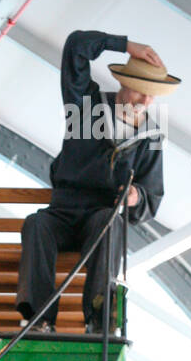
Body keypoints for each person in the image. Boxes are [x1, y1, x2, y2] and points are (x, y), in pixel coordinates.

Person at [16, 32, 179, 332]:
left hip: (100, 219)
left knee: (109, 223)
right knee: (36, 224)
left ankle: (100, 322)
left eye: (150, 94)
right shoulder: (84, 106)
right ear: (122, 82)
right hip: (63, 212)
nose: (144, 101)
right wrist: (127, 45)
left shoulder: (153, 137)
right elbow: (76, 46)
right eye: (139, 90)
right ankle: (39, 321)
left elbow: (151, 198)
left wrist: (135, 198)